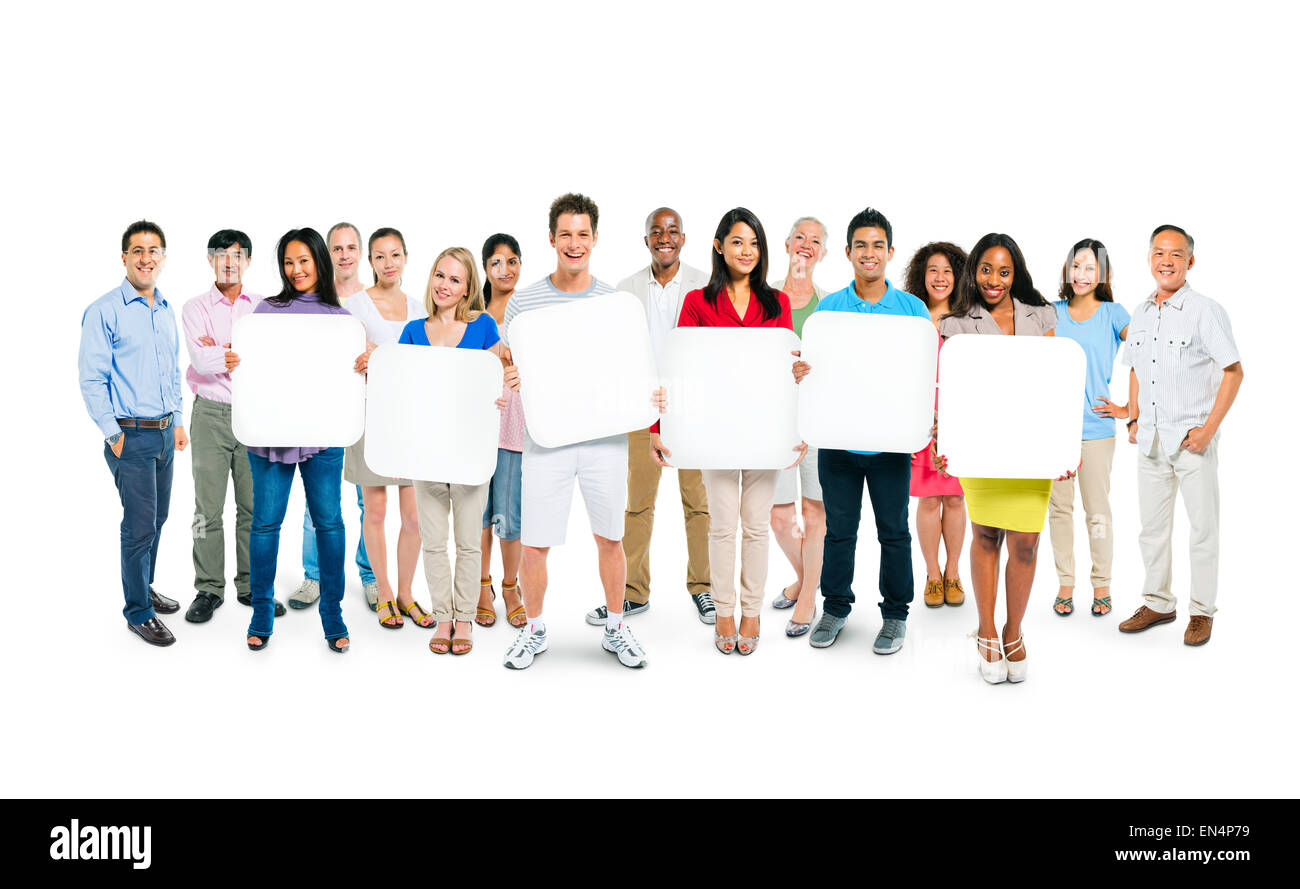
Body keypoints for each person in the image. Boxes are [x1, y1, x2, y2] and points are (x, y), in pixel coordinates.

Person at [499, 193, 648, 670]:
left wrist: (651, 394)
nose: (574, 243)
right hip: (546, 441)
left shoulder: (614, 302)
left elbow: (630, 369)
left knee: (610, 538)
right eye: (566, 233)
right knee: (536, 543)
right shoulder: (523, 304)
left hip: (605, 440)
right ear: (551, 239)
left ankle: (617, 628)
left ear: (596, 239)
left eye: (583, 234)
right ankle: (534, 631)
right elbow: (514, 367)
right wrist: (512, 376)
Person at [651, 207, 802, 656]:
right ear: (718, 246)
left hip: (762, 429)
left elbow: (786, 370)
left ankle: (751, 612)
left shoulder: (777, 303)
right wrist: (661, 427)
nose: (747, 251)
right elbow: (677, 370)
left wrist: (800, 426)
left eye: (754, 243)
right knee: (721, 526)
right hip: (713, 429)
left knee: (755, 525)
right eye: (737, 241)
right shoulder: (698, 301)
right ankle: (722, 612)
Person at [792, 208, 930, 656]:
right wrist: (801, 372)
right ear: (848, 252)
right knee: (839, 532)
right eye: (860, 246)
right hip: (838, 441)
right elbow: (818, 372)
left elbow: (921, 374)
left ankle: (895, 616)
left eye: (878, 246)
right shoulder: (829, 309)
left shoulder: (912, 310)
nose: (869, 254)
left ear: (890, 252)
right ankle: (835, 607)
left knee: (894, 532)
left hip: (889, 442)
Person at [934, 233, 1060, 683]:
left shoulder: (1042, 317)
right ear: (974, 271)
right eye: (985, 269)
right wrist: (942, 440)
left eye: (1003, 271)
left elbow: (1056, 387)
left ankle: (1013, 630)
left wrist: (1063, 444)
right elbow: (949, 390)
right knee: (986, 535)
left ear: (1015, 273)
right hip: (981, 443)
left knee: (1025, 542)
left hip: (1032, 445)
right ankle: (986, 629)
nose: (994, 280)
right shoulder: (956, 323)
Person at [587, 207, 714, 629]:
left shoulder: (705, 285)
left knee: (699, 503)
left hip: (693, 406)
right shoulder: (624, 291)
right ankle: (632, 593)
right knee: (637, 504)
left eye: (672, 231)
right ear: (646, 241)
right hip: (641, 410)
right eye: (656, 232)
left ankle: (705, 589)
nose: (664, 237)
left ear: (683, 238)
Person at [1117, 225, 1242, 646]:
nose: (1165, 261)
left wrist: (1208, 431)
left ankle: (1202, 611)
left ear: (1190, 261)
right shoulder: (1140, 311)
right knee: (1151, 530)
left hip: (1192, 441)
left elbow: (1233, 371)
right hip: (1150, 440)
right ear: (1150, 259)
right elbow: (1134, 365)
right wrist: (1133, 419)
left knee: (1202, 529)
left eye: (1175, 254)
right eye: (1158, 253)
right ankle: (1158, 602)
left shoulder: (1206, 310)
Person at [244, 228, 366, 653]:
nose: (296, 270)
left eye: (304, 260)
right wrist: (235, 359)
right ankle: (261, 611)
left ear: (320, 260)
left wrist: (364, 365)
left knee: (329, 523)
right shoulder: (265, 311)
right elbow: (255, 373)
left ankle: (332, 613)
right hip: (272, 435)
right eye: (288, 262)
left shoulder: (341, 320)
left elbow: (344, 381)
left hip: (322, 435)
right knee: (265, 524)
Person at [79, 220, 188, 646]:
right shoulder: (104, 310)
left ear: (163, 258)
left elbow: (172, 371)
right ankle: (138, 611)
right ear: (124, 257)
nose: (146, 258)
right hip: (131, 436)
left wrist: (176, 420)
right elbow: (92, 380)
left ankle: (144, 588)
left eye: (153, 250)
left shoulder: (164, 309)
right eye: (137, 251)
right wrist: (114, 434)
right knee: (140, 526)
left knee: (158, 520)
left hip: (163, 434)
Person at [399, 247, 507, 654]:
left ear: (467, 290)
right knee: (432, 541)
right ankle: (442, 619)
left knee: (467, 541)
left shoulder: (483, 327)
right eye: (439, 276)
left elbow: (499, 379)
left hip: (470, 449)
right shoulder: (412, 330)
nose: (444, 285)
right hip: (426, 449)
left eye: (455, 280)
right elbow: (402, 392)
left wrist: (501, 396)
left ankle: (464, 619)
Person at [181, 229, 280, 623]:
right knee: (207, 508)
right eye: (220, 255)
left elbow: (269, 360)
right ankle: (208, 588)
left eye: (236, 256)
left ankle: (252, 586)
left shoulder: (263, 307)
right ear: (210, 260)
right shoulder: (194, 308)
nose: (228, 262)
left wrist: (218, 348)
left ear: (248, 261)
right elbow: (202, 364)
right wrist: (233, 353)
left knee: (253, 509)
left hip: (254, 416)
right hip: (209, 415)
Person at [344, 227, 431, 631]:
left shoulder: (420, 307)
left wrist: (382, 356)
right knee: (375, 511)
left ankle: (406, 593)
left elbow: (425, 366)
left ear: (406, 257)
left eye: (394, 255)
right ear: (370, 262)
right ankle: (382, 591)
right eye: (379, 256)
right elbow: (351, 361)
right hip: (370, 416)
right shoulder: (355, 305)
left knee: (414, 517)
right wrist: (380, 359)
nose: (388, 263)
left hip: (411, 420)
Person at [289, 221, 378, 610]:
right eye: (336, 248)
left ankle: (371, 576)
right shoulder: (315, 298)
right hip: (321, 412)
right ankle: (315, 577)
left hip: (364, 413)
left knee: (368, 501)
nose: (344, 255)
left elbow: (388, 353)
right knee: (317, 502)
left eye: (350, 247)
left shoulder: (371, 300)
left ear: (360, 253)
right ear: (327, 254)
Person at [1048, 239, 1130, 618]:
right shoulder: (1050, 312)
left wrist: (1129, 408)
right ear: (1068, 269)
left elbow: (1147, 353)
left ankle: (1102, 585)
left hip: (1097, 428)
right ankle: (1066, 583)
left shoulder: (1114, 314)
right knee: (1059, 510)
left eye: (1091, 268)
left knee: (1097, 512)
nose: (1082, 274)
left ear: (1104, 275)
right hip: (1055, 430)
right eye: (1077, 266)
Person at [769, 216, 830, 636]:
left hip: (816, 421)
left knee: (814, 511)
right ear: (787, 244)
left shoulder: (827, 307)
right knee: (777, 515)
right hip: (772, 420)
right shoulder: (767, 301)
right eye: (800, 238)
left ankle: (806, 596)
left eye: (815, 241)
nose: (805, 246)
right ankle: (810, 578)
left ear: (823, 253)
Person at [902, 241, 969, 609]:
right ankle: (931, 573)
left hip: (959, 419)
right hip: (922, 420)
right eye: (933, 270)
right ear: (921, 276)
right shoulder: (911, 317)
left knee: (956, 497)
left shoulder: (969, 318)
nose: (940, 278)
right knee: (928, 499)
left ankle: (954, 571)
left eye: (948, 271)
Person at [477, 233, 527, 629]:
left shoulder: (529, 311)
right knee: (477, 513)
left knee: (510, 515)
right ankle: (482, 585)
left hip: (515, 425)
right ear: (485, 268)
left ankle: (511, 586)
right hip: (475, 426)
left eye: (512, 261)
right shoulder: (472, 312)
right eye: (496, 262)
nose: (505, 269)